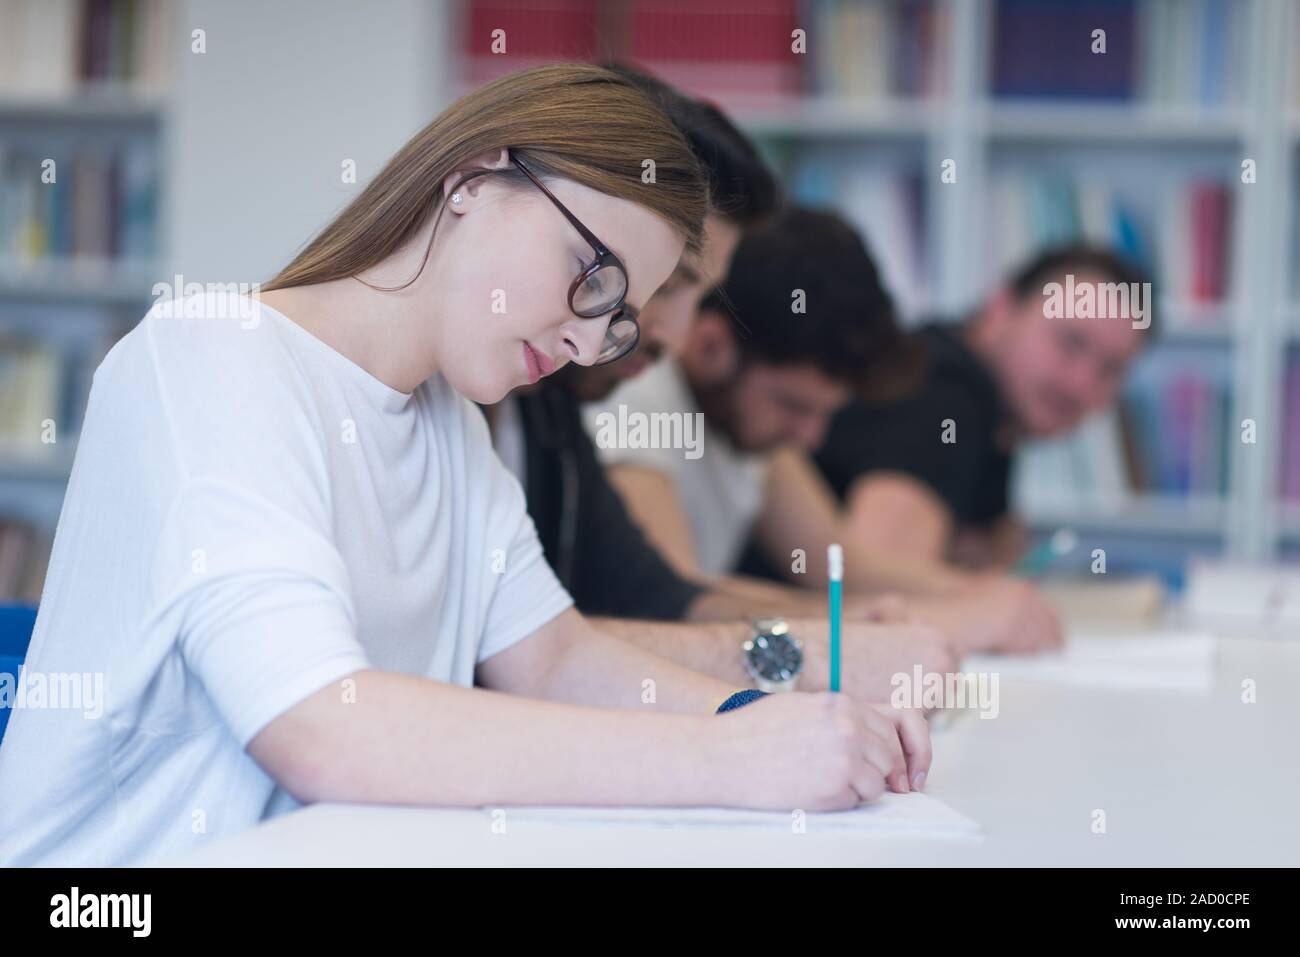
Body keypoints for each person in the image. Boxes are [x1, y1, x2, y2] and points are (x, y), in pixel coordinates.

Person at [0, 65, 929, 867]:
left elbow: (553, 657)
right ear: (475, 181)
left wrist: (756, 715)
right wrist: (738, 760)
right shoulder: (209, 357)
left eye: (618, 318)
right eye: (591, 274)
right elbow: (323, 725)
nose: (586, 336)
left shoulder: (451, 422)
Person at [481, 65, 956, 702]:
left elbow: (657, 597)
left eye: (689, 292)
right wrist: (811, 653)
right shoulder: (554, 392)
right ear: (473, 188)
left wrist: (844, 630)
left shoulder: (548, 403)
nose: (675, 335)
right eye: (665, 286)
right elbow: (514, 657)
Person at [586, 207, 1063, 654]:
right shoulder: (637, 398)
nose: (811, 437)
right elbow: (676, 599)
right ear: (712, 346)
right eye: (793, 405)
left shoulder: (743, 417)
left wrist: (978, 593)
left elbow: (841, 567)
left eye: (823, 413)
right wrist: (926, 620)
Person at [811, 245, 1154, 570]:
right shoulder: (944, 393)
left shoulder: (993, 415)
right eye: (1070, 342)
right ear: (1001, 309)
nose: (1081, 384)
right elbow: (877, 599)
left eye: (1110, 369)